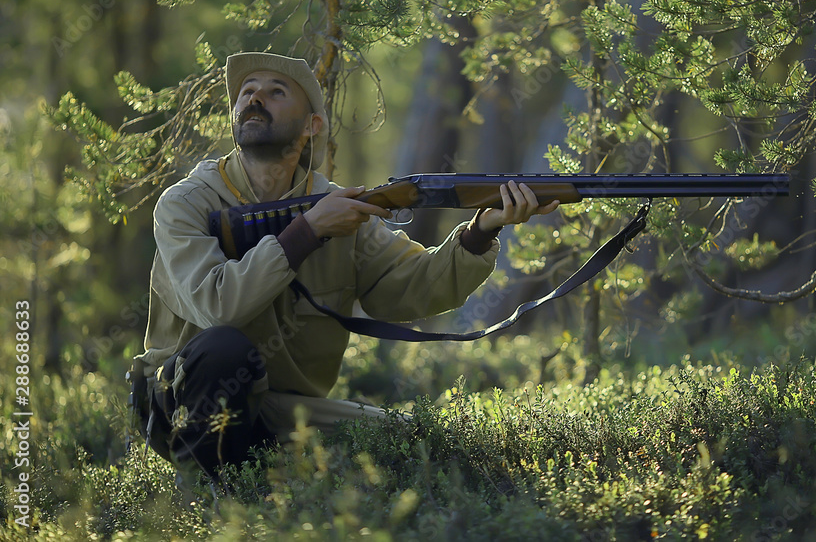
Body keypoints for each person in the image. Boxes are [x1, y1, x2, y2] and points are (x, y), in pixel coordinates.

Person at [130, 51, 559, 475]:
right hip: (181, 404)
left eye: (276, 92)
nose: (255, 99)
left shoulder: (339, 207)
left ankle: (268, 479)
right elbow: (217, 306)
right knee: (224, 349)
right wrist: (309, 231)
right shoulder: (184, 204)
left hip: (283, 409)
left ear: (312, 126)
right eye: (247, 92)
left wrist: (481, 230)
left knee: (417, 443)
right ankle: (208, 499)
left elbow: (416, 286)